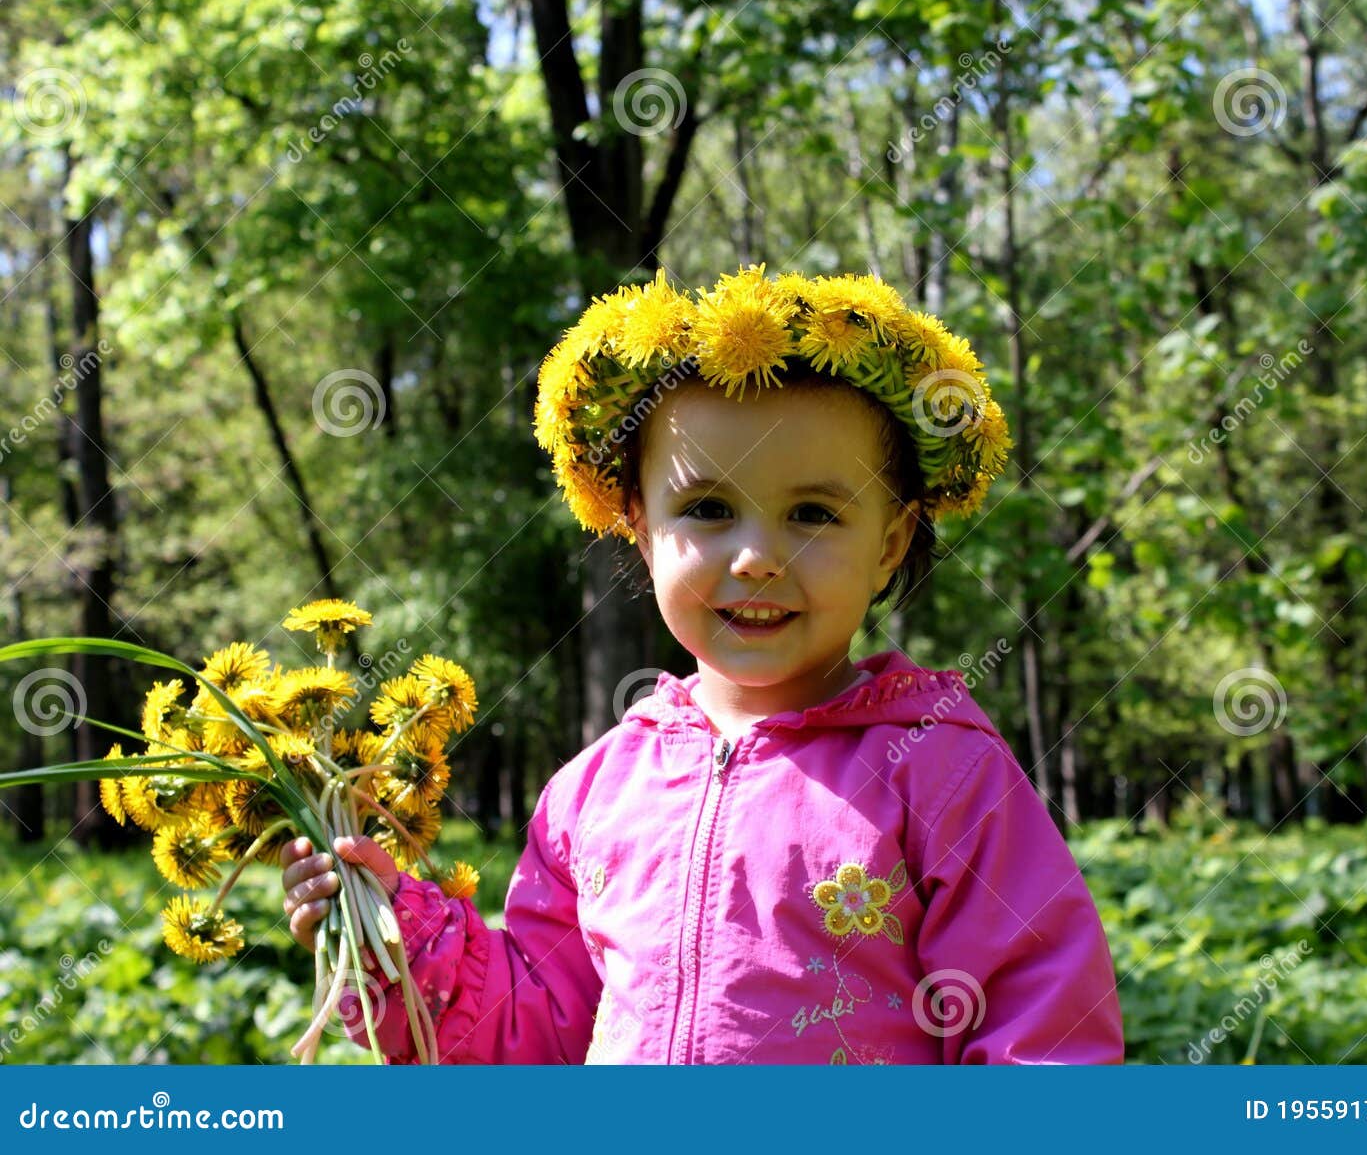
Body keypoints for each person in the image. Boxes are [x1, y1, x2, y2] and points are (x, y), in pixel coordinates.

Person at [281, 264, 1123, 1064]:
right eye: (709, 508)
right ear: (641, 530)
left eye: (815, 513)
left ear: (890, 543)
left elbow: (1043, 1032)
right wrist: (394, 935)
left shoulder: (942, 774)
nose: (758, 555)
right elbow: (531, 1034)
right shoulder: (592, 794)